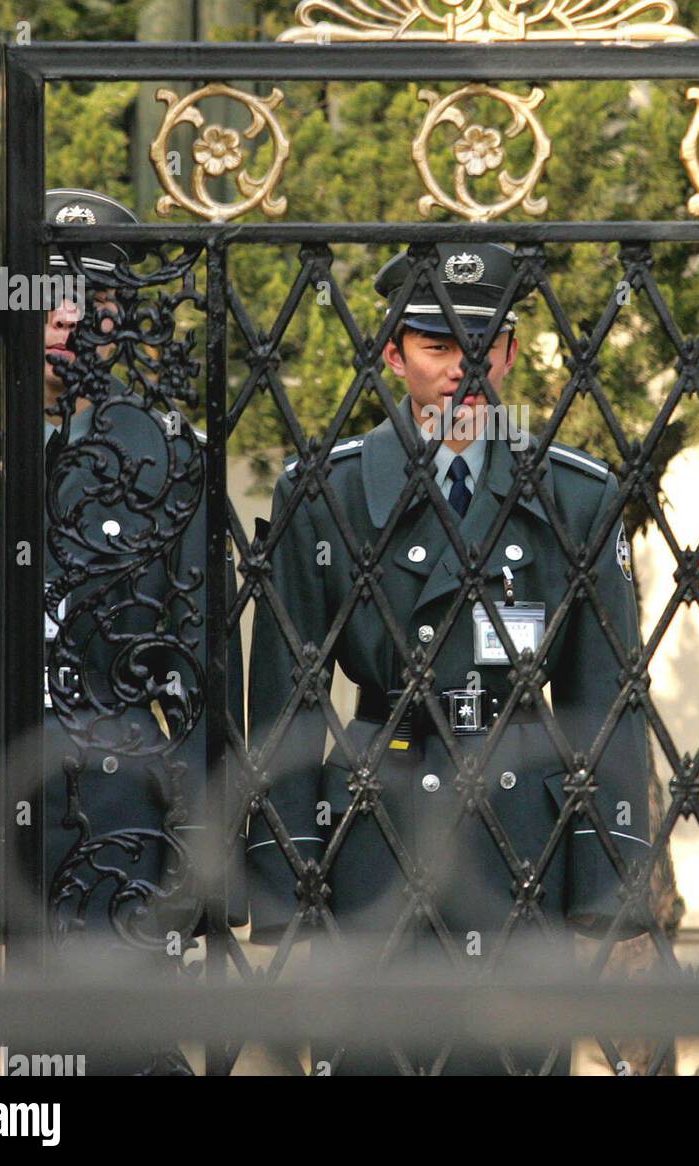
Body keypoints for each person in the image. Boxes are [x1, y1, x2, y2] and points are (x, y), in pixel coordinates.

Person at [246, 239, 652, 1075]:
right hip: (373, 825)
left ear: (507, 351)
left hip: (520, 836)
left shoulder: (574, 493)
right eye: (436, 347)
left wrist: (607, 877)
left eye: (483, 348)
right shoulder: (325, 491)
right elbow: (286, 696)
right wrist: (278, 878)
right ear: (393, 353)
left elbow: (605, 695)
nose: (460, 372)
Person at [39, 188, 244, 1073]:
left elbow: (205, 672)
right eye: (46, 288)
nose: (65, 315)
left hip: (114, 815)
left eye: (93, 295)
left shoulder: (169, 459)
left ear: (122, 314)